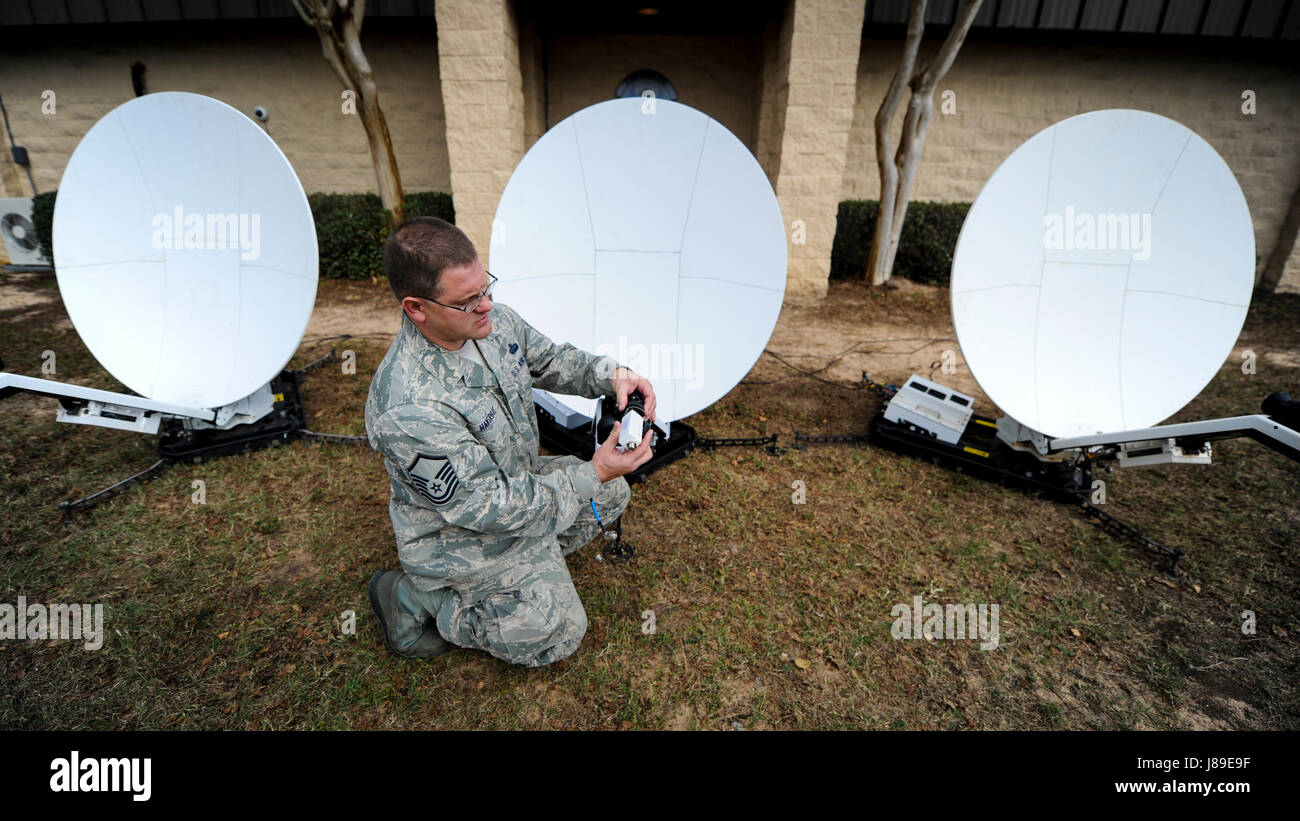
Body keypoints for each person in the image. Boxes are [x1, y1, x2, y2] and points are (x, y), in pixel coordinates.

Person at [364, 216, 657, 667]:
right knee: (556, 630)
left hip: (517, 484)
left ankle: (524, 572)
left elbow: (551, 359)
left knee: (610, 493)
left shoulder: (489, 321)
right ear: (417, 308)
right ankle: (420, 598)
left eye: (487, 288)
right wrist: (592, 472)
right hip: (458, 534)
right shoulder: (409, 406)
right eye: (468, 301)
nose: (487, 305)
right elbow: (487, 507)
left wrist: (614, 376)